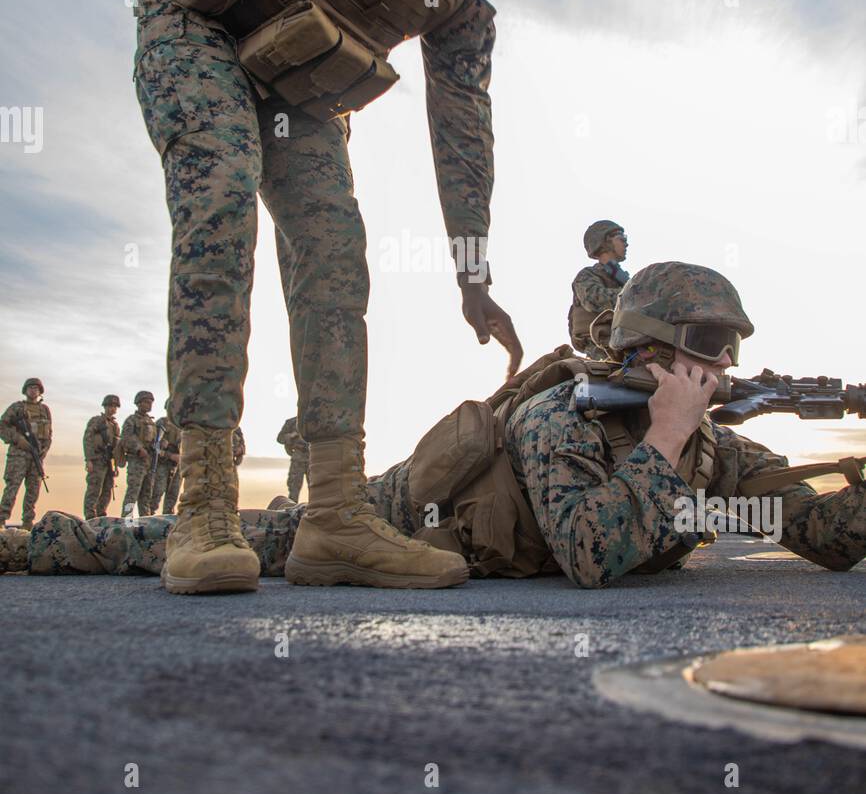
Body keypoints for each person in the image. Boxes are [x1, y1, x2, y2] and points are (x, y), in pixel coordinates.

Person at [135, 0, 596, 594]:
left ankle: (336, 518)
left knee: (336, 257)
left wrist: (472, 272)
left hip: (292, 82)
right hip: (199, 27)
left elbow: (463, 131)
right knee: (221, 201)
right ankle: (203, 508)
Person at [9, 264, 864, 587]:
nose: (717, 370)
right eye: (703, 350)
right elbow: (590, 556)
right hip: (398, 518)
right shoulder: (559, 418)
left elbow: (820, 532)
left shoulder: (709, 448)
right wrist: (665, 441)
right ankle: (35, 545)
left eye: (727, 352)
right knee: (234, 539)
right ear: (651, 353)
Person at [568, 220, 629, 358]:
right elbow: (594, 300)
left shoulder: (625, 280)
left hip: (626, 344)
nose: (626, 243)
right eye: (622, 239)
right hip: (600, 348)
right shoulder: (587, 275)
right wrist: (633, 294)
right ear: (605, 242)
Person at [0, 379, 52, 531]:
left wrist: (44, 449)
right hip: (18, 455)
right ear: (25, 390)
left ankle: (27, 524)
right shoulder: (17, 407)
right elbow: (2, 426)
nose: (33, 390)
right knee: (12, 488)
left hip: (36, 456)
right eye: (30, 388)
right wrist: (18, 439)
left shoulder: (45, 409)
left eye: (36, 388)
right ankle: (1, 520)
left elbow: (49, 433)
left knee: (33, 491)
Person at [83, 395, 121, 519]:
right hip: (97, 459)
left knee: (107, 489)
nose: (112, 409)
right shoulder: (96, 421)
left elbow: (116, 448)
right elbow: (87, 439)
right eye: (110, 406)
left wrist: (116, 465)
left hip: (108, 461)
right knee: (94, 489)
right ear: (105, 407)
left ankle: (101, 514)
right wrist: (89, 460)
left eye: (115, 407)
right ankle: (90, 516)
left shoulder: (115, 425)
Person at [120, 391, 157, 518]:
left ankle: (144, 521)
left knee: (146, 495)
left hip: (150, 461)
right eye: (146, 402)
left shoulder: (151, 422)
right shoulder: (132, 420)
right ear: (139, 403)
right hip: (136, 460)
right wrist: (138, 448)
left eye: (151, 402)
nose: (149, 405)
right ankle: (127, 520)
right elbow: (126, 437)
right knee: (132, 493)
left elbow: (154, 440)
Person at [151, 402, 182, 515]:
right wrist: (169, 455)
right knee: (157, 492)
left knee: (172, 496)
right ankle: (149, 517)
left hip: (178, 467)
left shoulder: (183, 426)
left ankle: (167, 521)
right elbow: (154, 446)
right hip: (163, 464)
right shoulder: (162, 423)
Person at [277, 415, 309, 501]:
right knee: (294, 488)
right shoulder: (292, 422)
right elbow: (280, 438)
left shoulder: (315, 420)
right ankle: (292, 509)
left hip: (314, 458)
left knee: (316, 488)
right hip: (298, 457)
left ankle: (316, 511)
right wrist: (290, 436)